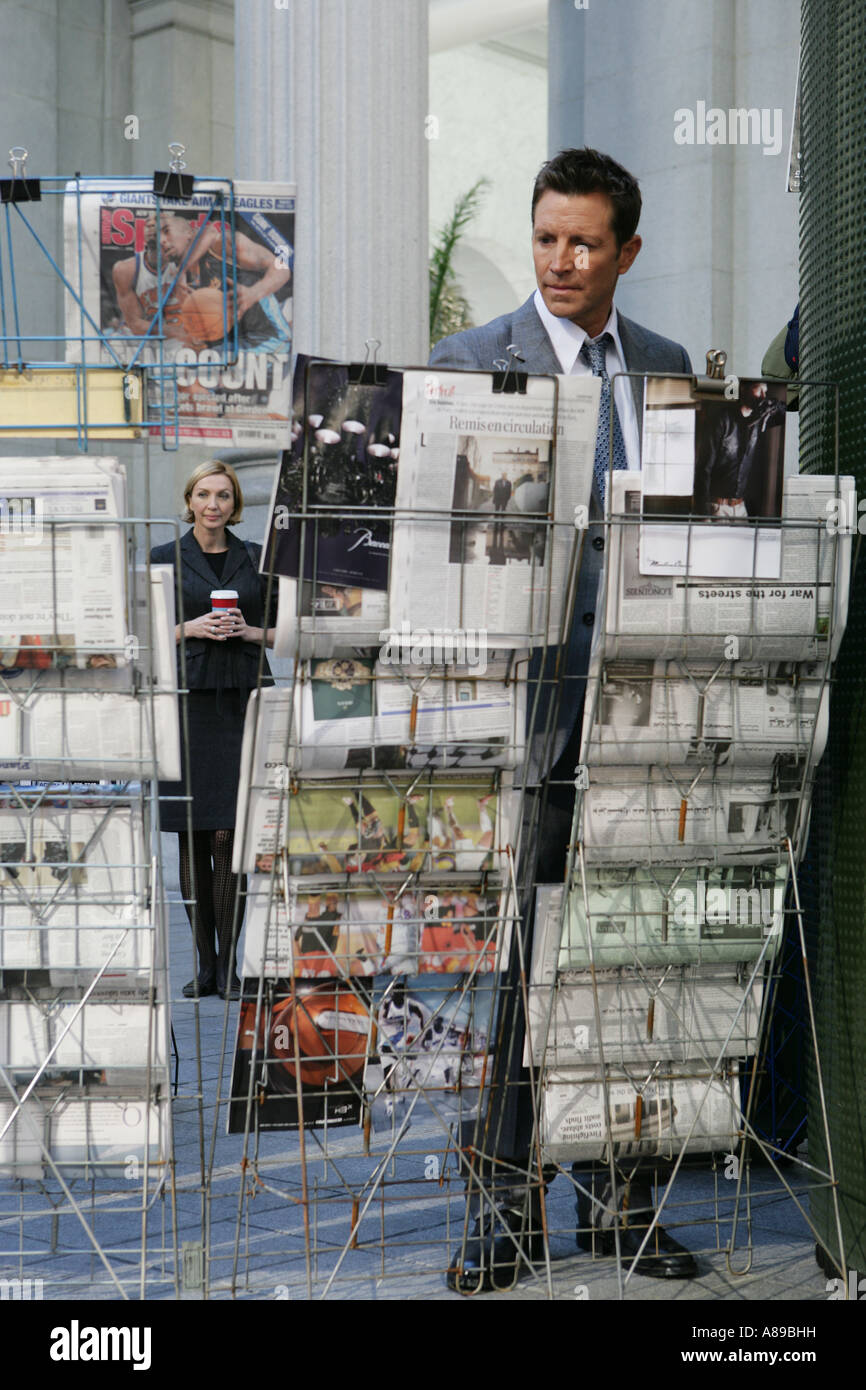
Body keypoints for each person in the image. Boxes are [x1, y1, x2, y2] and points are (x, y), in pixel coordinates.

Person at [430, 147, 697, 1291]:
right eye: (546, 238)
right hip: (520, 716)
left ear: (626, 251)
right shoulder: (464, 362)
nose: (560, 260)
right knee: (523, 968)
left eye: (584, 241)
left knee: (631, 959)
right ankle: (503, 1210)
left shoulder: (669, 370)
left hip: (643, 715)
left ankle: (622, 1207)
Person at [151, 461, 277, 1001]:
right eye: (204, 494)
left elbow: (283, 627)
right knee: (192, 836)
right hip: (186, 705)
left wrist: (248, 630)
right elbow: (143, 632)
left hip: (245, 701)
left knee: (231, 835)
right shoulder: (164, 559)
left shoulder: (255, 559)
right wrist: (190, 627)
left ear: (234, 504)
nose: (213, 504)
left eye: (223, 495)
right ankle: (205, 963)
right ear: (190, 500)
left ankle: (229, 964)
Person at [159, 213, 292, 352]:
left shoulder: (221, 244)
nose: (161, 241)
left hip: (268, 337)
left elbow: (282, 269)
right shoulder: (180, 282)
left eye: (167, 231)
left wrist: (253, 293)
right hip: (230, 346)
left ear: (189, 233)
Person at [693, 381, 786, 519]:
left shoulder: (760, 418)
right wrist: (704, 514)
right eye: (758, 389)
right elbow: (703, 469)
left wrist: (775, 405)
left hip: (741, 508)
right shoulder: (721, 420)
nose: (763, 396)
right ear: (743, 389)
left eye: (765, 391)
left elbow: (787, 414)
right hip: (717, 508)